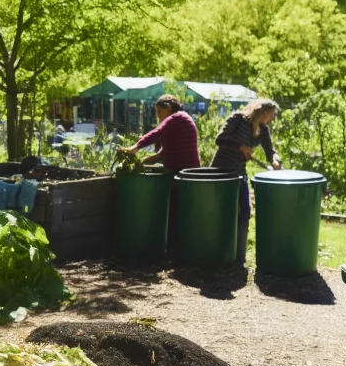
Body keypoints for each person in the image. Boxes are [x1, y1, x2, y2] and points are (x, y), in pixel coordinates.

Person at [118, 95, 202, 254]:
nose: (158, 115)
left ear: (169, 107)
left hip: (182, 170)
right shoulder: (180, 119)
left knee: (175, 208)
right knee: (177, 208)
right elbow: (173, 143)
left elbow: (157, 132)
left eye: (159, 110)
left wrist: (135, 147)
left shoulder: (176, 117)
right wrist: (156, 157)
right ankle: (175, 246)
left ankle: (175, 247)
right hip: (183, 168)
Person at [212, 99, 282, 265]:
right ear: (262, 112)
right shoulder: (237, 118)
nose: (271, 119)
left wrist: (275, 160)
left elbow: (270, 151)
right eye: (270, 115)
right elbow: (220, 139)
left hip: (239, 171)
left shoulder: (263, 130)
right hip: (221, 170)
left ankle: (239, 259)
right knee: (221, 212)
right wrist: (240, 146)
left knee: (245, 212)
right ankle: (218, 252)